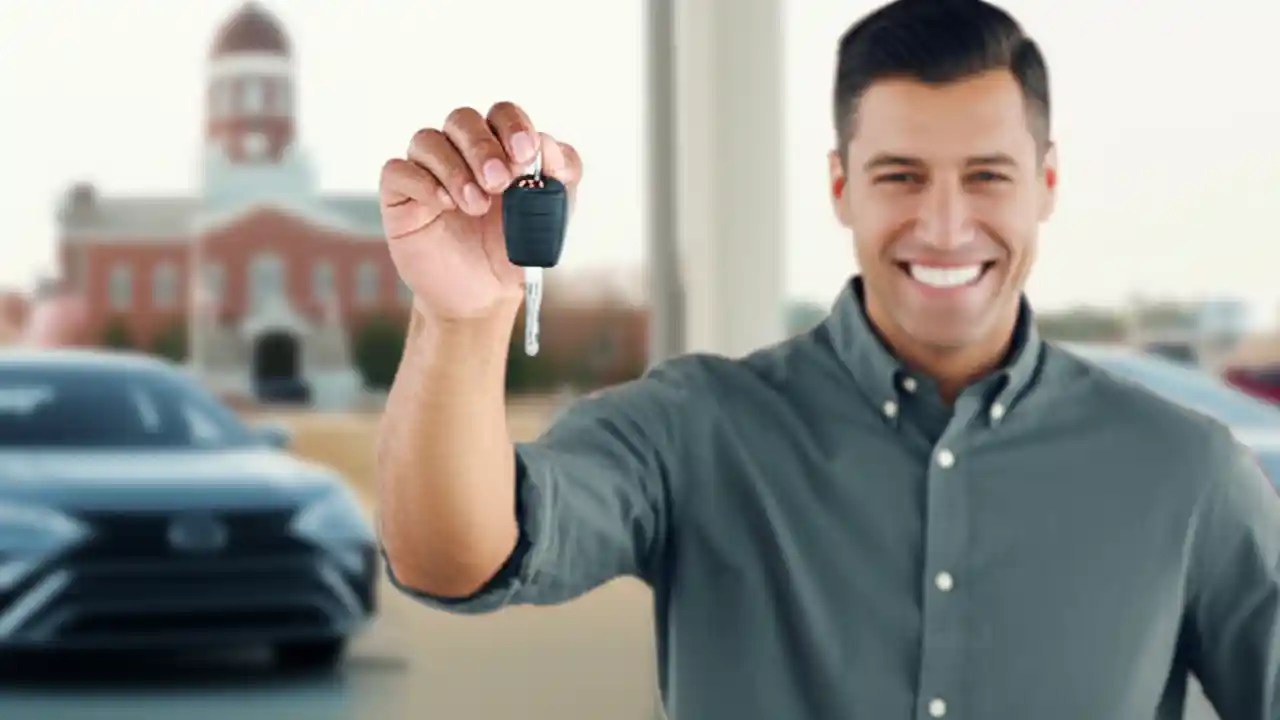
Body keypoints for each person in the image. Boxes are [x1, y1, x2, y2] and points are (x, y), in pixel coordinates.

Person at [375, 0, 1280, 717]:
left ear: (1046, 182)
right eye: (901, 175)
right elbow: (456, 557)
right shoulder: (696, 428)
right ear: (840, 185)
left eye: (987, 175)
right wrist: (463, 321)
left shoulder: (1188, 474)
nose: (945, 224)